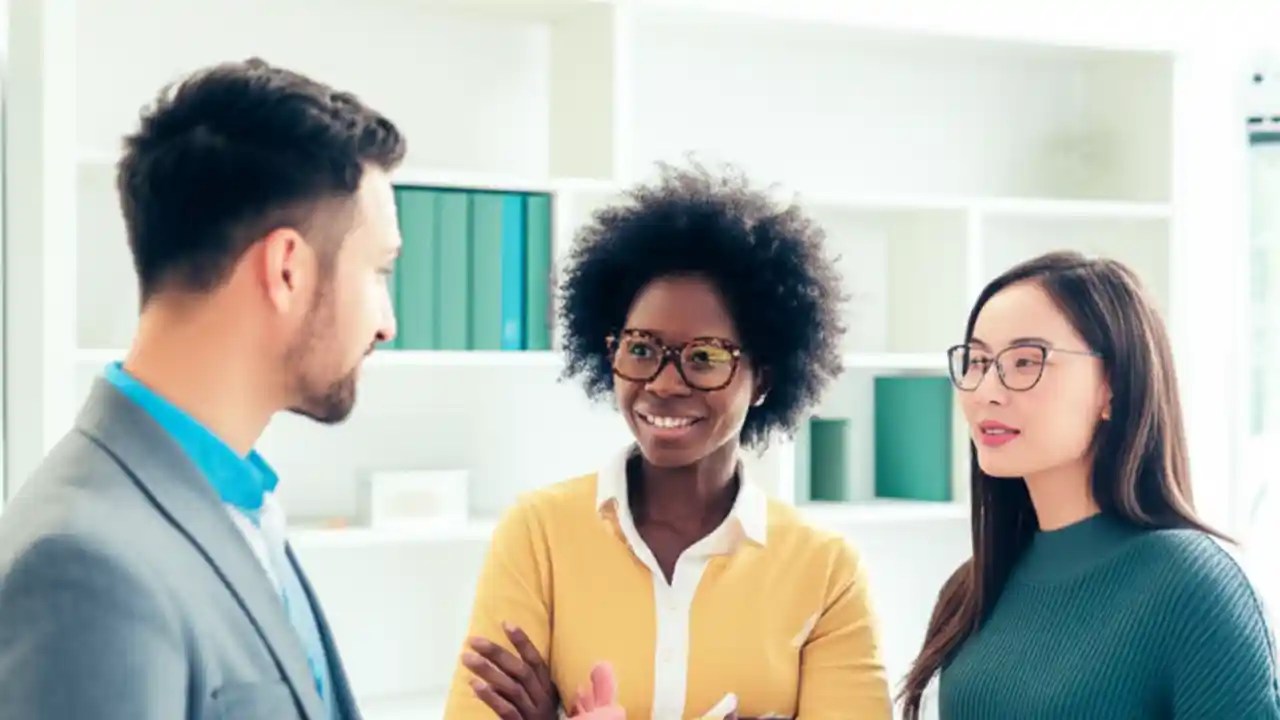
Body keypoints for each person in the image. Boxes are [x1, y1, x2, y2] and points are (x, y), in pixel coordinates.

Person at [0, 58, 406, 720]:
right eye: (380, 270)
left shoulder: (241, 506)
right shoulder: (82, 566)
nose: (387, 324)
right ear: (286, 270)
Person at [443, 162, 894, 719]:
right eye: (641, 349)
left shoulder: (825, 572)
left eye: (704, 358)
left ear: (764, 381)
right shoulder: (539, 535)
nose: (662, 382)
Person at [898, 251, 1280, 719]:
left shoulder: (1192, 584)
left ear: (1112, 387)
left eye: (1024, 362)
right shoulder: (970, 590)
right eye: (976, 361)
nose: (985, 391)